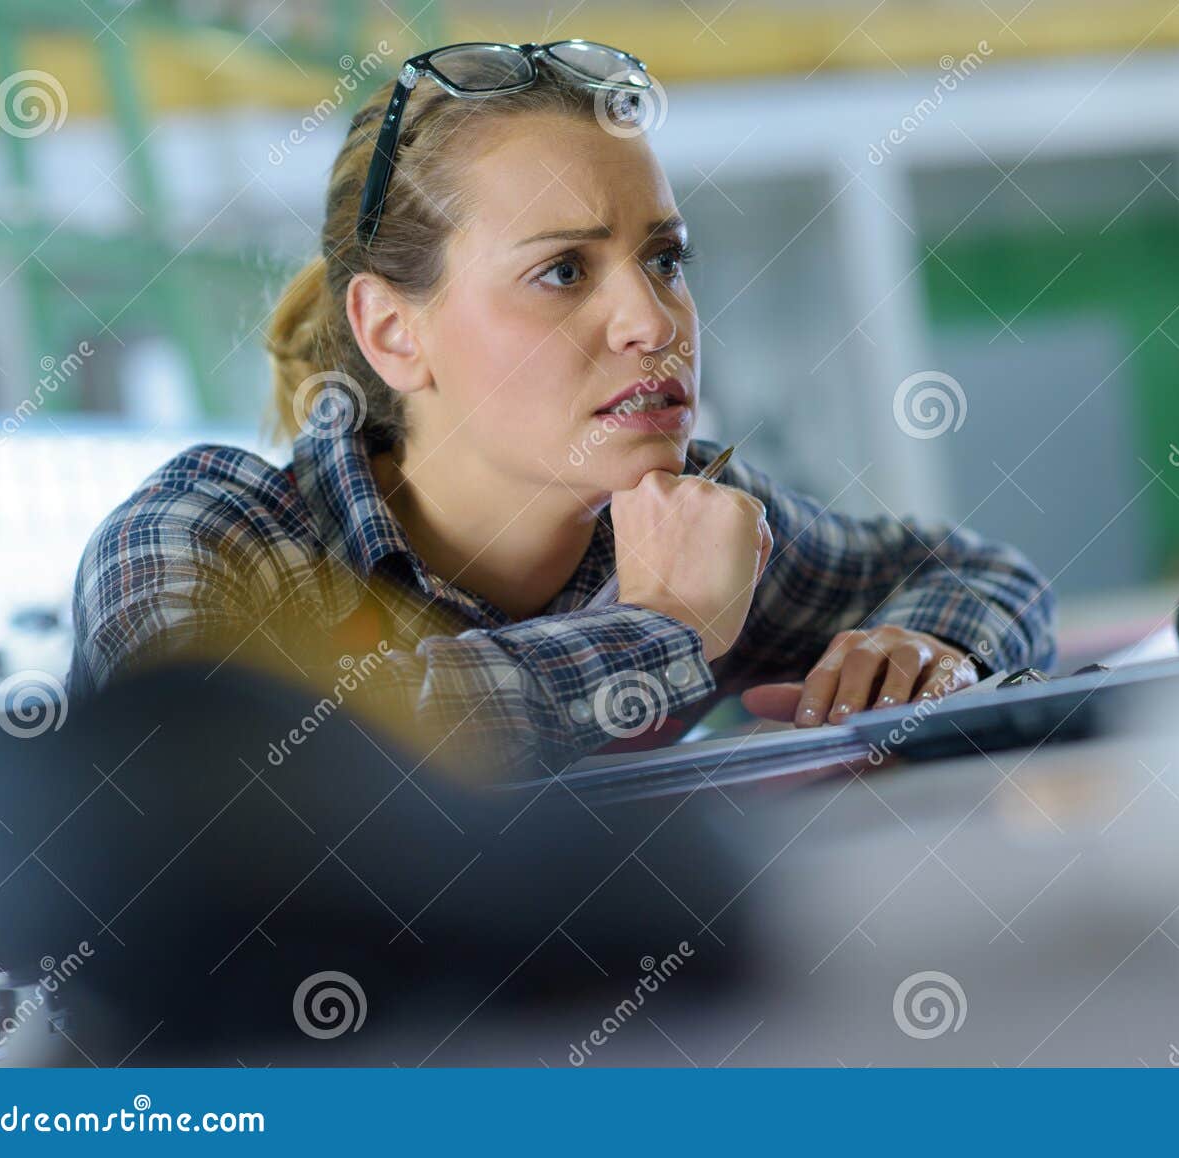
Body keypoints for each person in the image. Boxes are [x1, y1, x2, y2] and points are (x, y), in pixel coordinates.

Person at [68, 40, 1054, 776]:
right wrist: (666, 630)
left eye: (664, 260)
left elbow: (976, 572)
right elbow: (244, 779)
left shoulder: (681, 524)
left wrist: (929, 651)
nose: (650, 320)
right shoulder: (206, 534)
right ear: (390, 331)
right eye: (562, 270)